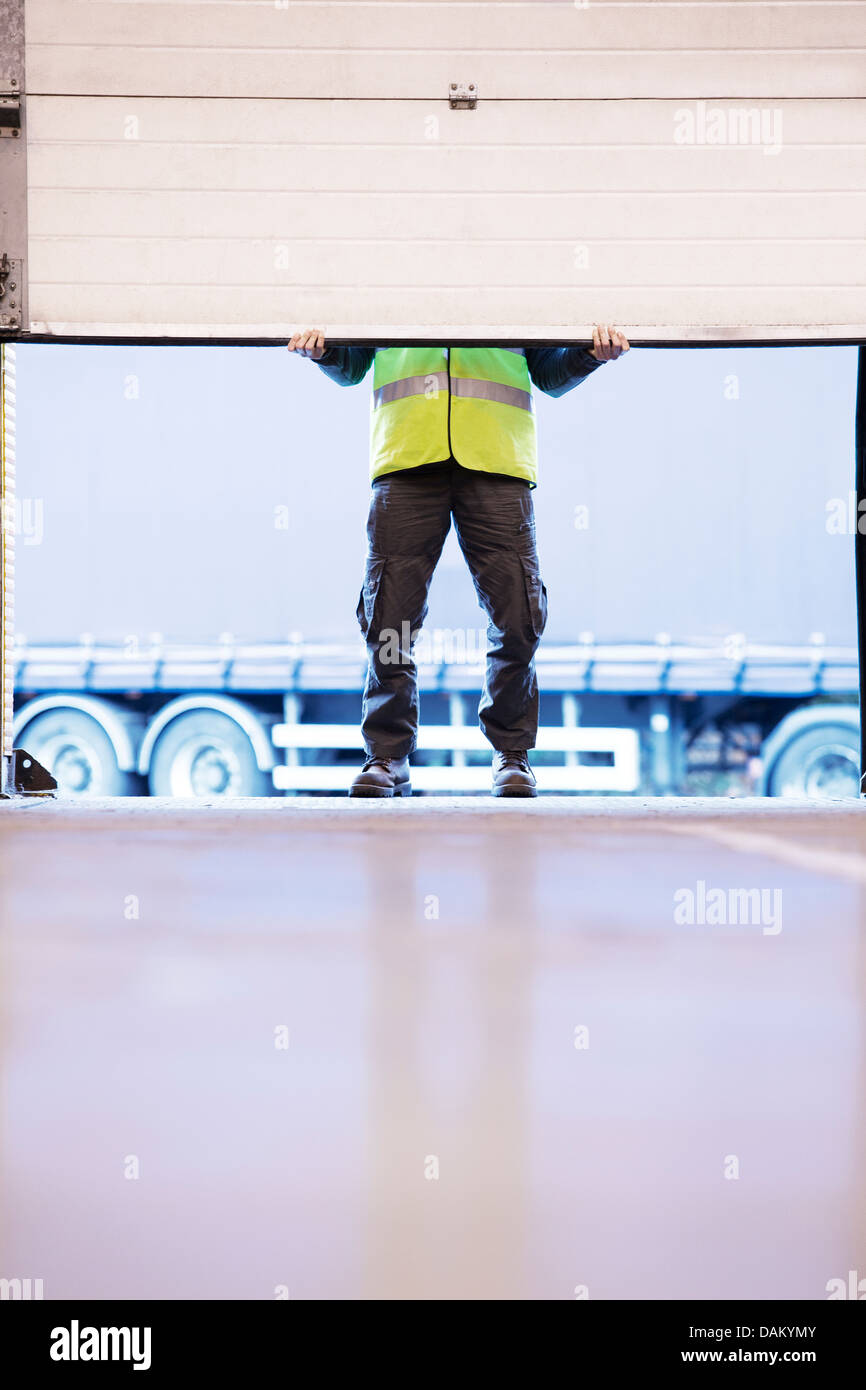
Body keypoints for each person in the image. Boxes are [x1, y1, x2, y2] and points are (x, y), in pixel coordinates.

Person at [288, 327, 629, 797]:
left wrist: (591, 355)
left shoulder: (510, 276)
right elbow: (352, 364)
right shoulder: (388, 273)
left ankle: (512, 754)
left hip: (497, 461)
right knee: (391, 619)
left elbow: (548, 373)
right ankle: (387, 755)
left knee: (517, 617)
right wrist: (322, 352)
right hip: (408, 457)